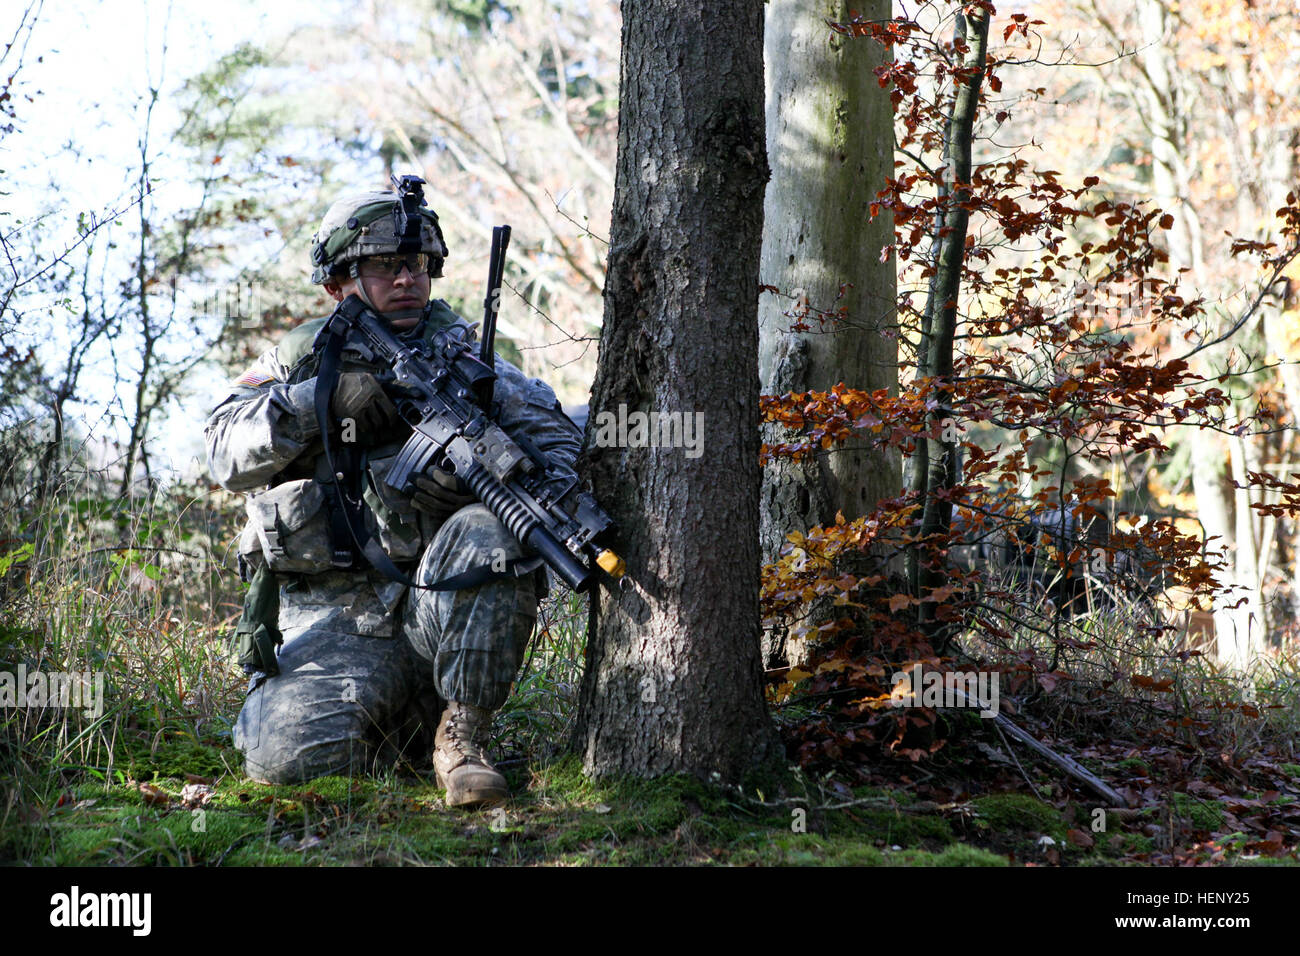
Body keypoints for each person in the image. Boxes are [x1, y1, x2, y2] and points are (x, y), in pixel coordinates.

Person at [205, 181, 581, 808]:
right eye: (384, 265)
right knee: (288, 761)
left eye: (416, 264)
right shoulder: (302, 359)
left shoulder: (465, 356)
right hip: (334, 623)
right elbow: (219, 449)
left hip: (439, 613)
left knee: (493, 531)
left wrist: (479, 485)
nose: (406, 279)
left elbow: (556, 436)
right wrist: (315, 403)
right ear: (338, 283)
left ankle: (462, 739)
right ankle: (397, 732)